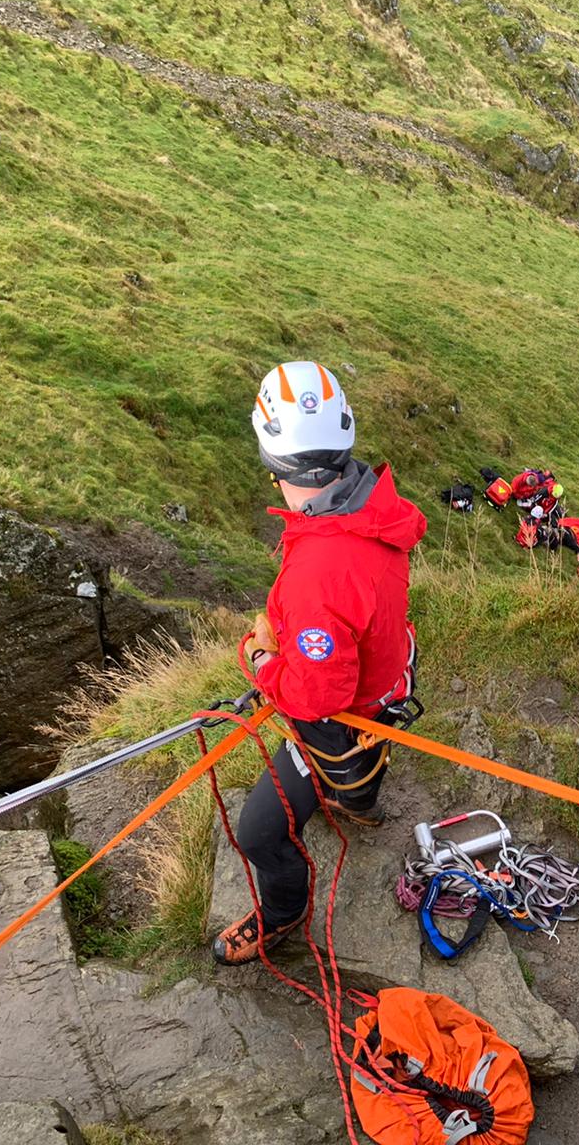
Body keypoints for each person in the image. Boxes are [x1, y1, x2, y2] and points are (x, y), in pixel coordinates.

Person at [215, 360, 427, 966]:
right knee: (362, 760)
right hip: (386, 683)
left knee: (258, 833)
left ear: (271, 456)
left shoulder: (318, 571)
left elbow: (316, 697)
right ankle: (356, 802)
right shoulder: (371, 509)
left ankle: (280, 916)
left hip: (343, 712)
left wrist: (260, 661)